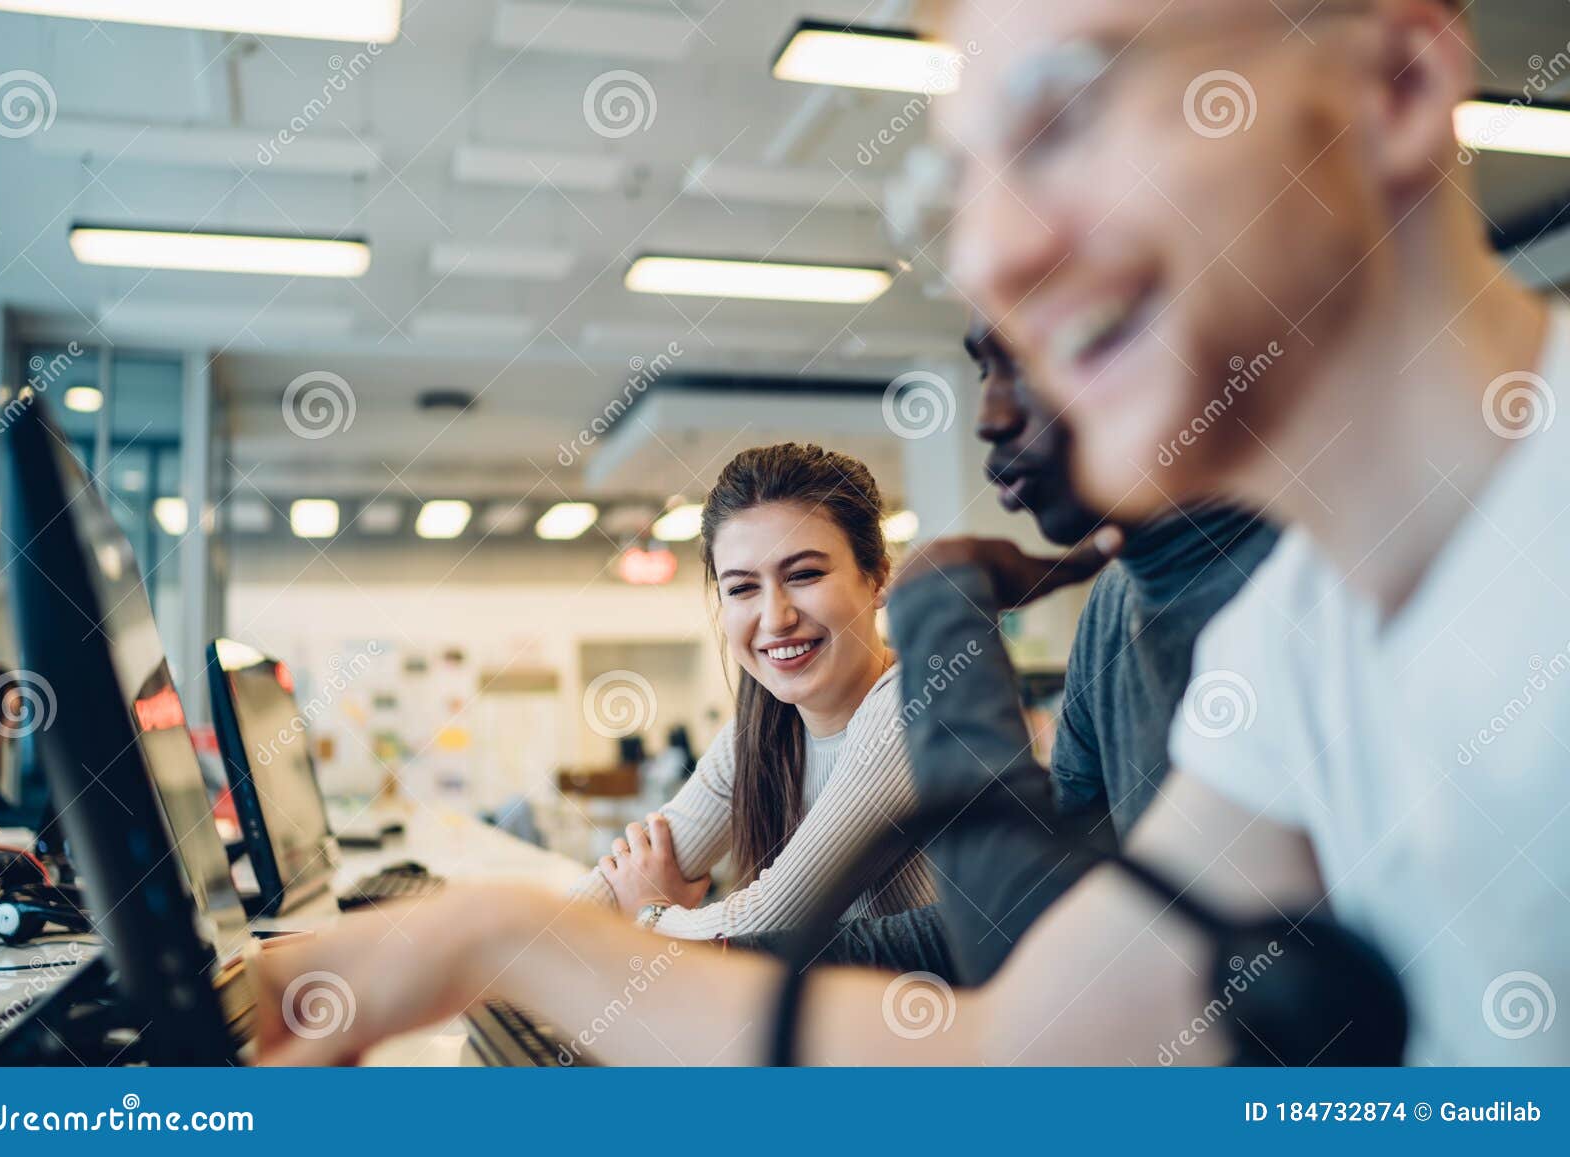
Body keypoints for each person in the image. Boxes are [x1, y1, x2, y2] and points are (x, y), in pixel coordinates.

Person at [261, 0, 1570, 1066]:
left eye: (1067, 113)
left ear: (1395, 83)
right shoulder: (1300, 636)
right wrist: (495, 939)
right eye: (960, 186)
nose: (993, 250)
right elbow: (1038, 1043)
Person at [745, 323, 1278, 983]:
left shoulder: (1290, 600)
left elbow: (1020, 943)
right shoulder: (1116, 605)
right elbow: (1054, 912)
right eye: (984, 373)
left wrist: (942, 607)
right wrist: (706, 967)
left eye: (1030, 358)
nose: (991, 418)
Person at [567, 443, 937, 939]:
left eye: (804, 575)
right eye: (742, 588)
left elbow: (766, 925)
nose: (775, 618)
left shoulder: (909, 712)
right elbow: (623, 881)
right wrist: (504, 956)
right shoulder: (761, 728)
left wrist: (650, 915)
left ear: (877, 578)